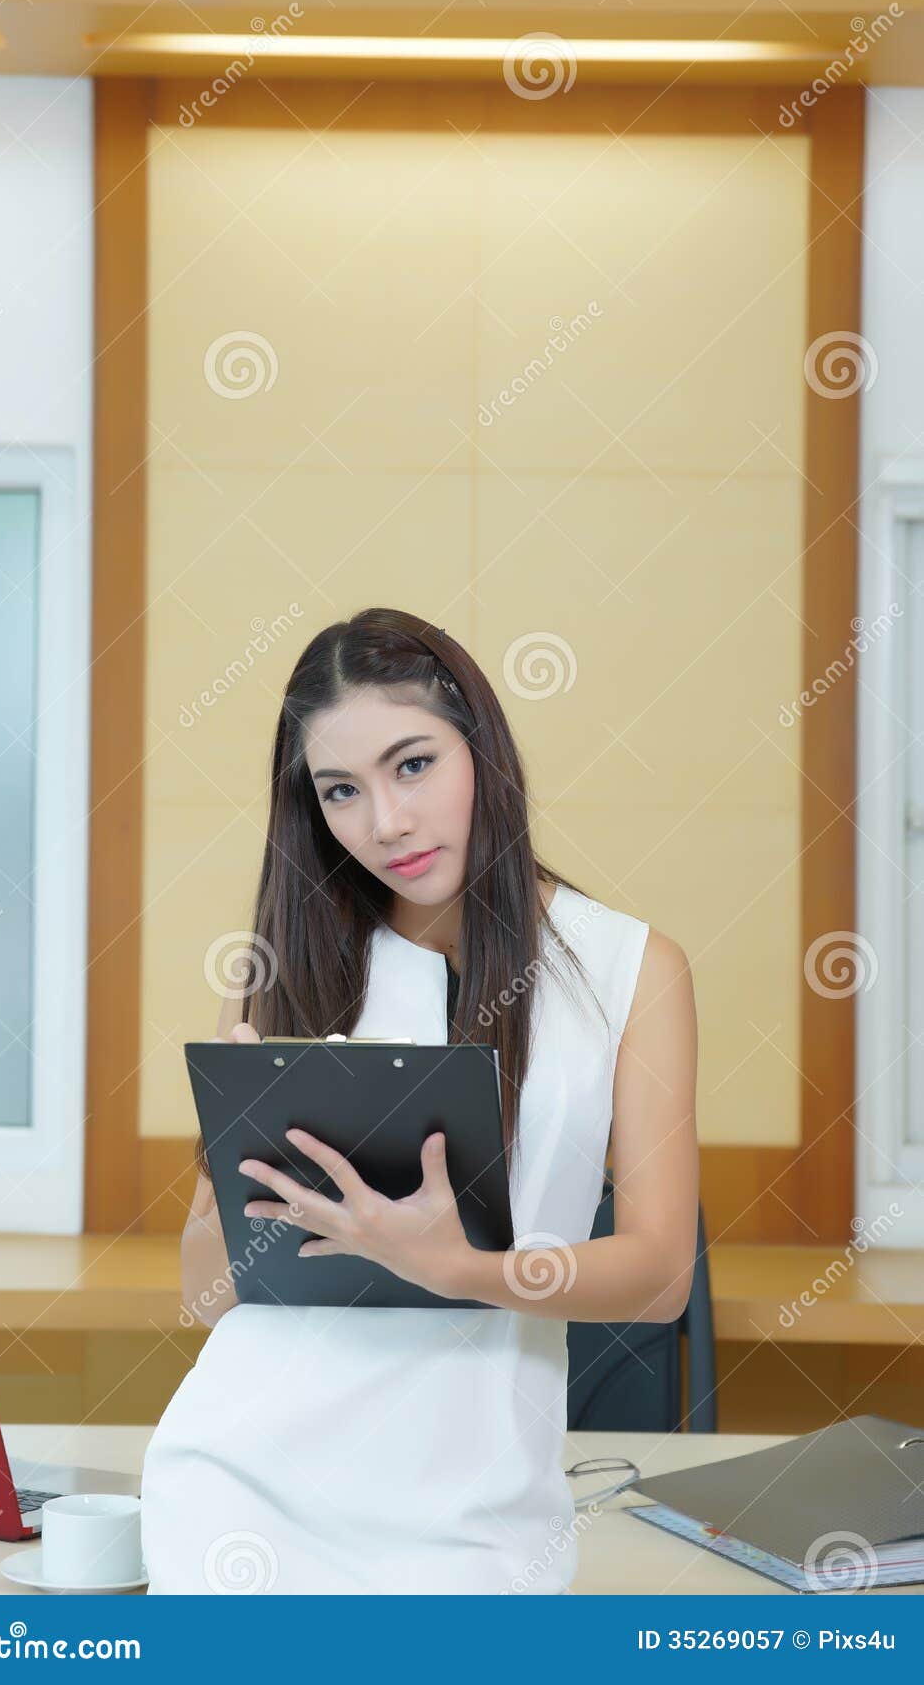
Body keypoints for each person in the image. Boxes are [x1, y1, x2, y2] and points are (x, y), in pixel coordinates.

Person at [140, 606, 698, 1594]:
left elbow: (657, 1276)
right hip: (238, 1497)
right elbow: (201, 1296)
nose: (384, 823)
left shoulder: (630, 969)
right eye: (340, 790)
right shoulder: (284, 972)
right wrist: (246, 1159)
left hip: (476, 1529)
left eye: (412, 765)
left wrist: (461, 1267)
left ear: (480, 749)